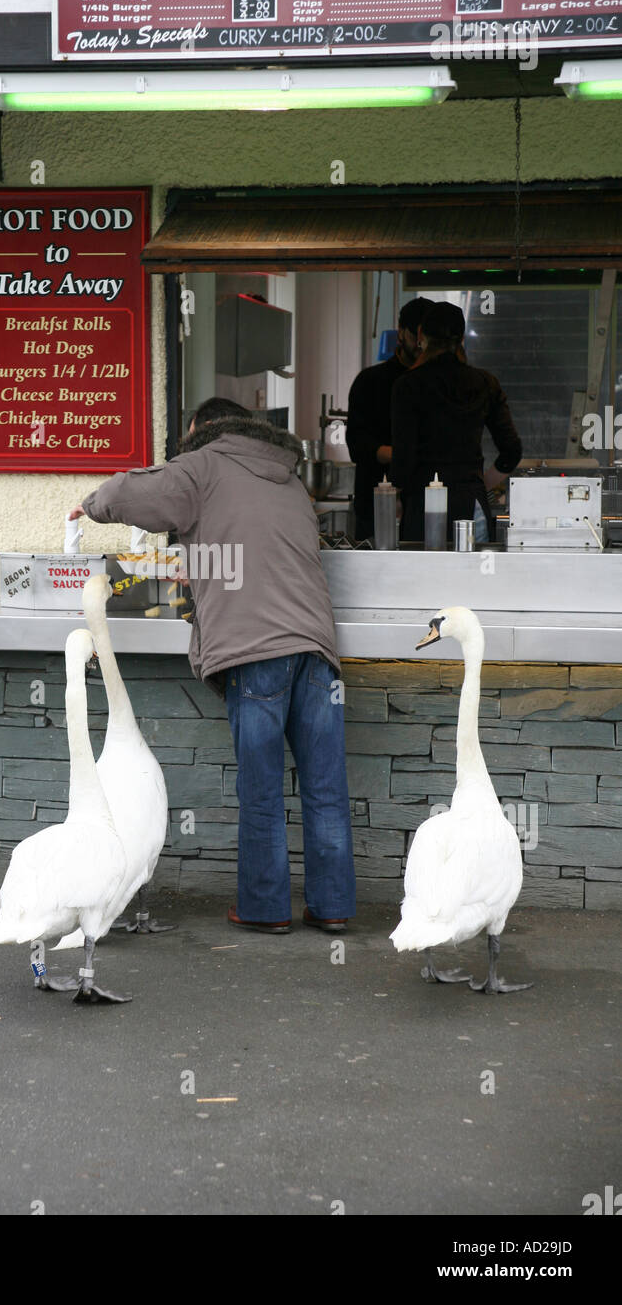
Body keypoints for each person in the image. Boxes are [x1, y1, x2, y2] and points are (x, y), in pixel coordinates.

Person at [68, 412, 356, 935]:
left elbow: (136, 493)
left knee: (263, 789)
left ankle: (266, 909)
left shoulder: (203, 468)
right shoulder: (289, 480)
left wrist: (91, 506)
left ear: (202, 435)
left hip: (255, 652)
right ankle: (331, 907)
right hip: (316, 651)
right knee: (325, 787)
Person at [390, 301, 522, 542]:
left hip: (422, 505)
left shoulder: (407, 385)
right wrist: (480, 484)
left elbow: (403, 460)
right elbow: (512, 450)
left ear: (421, 336)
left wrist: (397, 495)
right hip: (470, 504)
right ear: (461, 338)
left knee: (422, 577)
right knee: (472, 578)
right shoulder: (485, 383)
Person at [346, 297, 434, 541]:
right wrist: (400, 454)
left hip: (426, 505)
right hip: (374, 505)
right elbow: (357, 443)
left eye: (425, 336)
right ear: (401, 333)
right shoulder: (370, 381)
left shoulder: (437, 383)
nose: (420, 343)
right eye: (414, 335)